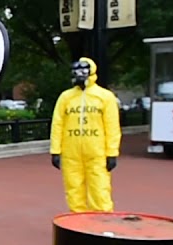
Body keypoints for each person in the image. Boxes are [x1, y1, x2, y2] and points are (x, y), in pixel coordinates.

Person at [50, 57, 121, 212]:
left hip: (97, 153)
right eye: (76, 72)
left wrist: (112, 153)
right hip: (71, 153)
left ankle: (102, 222)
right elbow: (58, 124)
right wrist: (55, 150)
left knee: (99, 189)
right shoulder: (66, 97)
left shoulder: (104, 97)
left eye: (83, 71)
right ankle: (78, 222)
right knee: (73, 189)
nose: (79, 75)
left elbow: (112, 126)